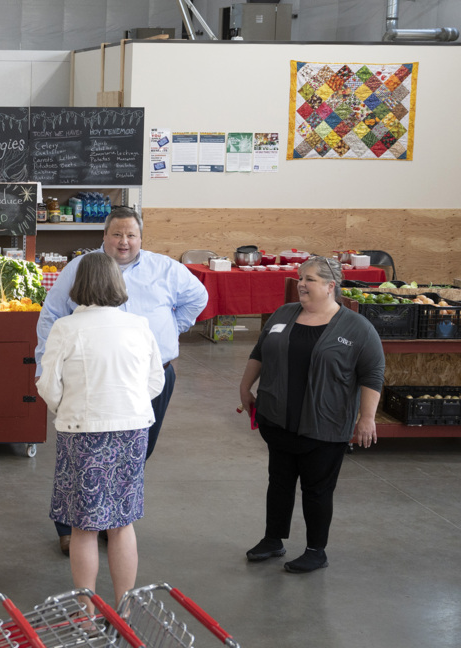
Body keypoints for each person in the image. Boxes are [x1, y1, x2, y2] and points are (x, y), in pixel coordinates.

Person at [35, 206, 207, 556]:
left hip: (147, 377)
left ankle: (110, 517)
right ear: (104, 236)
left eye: (131, 235)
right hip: (90, 381)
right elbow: (52, 315)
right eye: (117, 234)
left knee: (137, 448)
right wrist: (51, 380)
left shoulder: (166, 269)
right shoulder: (81, 268)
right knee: (78, 457)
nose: (124, 241)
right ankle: (72, 526)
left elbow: (197, 297)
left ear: (141, 237)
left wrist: (171, 330)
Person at [238, 256, 384, 573]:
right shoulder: (284, 313)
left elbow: (372, 375)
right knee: (278, 482)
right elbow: (259, 352)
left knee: (317, 490)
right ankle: (272, 539)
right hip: (278, 419)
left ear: (331, 286)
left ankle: (316, 550)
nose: (301, 284)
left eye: (310, 279)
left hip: (324, 426)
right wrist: (245, 386)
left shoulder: (357, 328)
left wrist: (366, 418)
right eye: (301, 278)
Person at [36, 251, 164, 610]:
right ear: (117, 283)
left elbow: (48, 385)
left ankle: (86, 612)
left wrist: (66, 408)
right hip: (132, 431)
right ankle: (124, 606)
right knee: (122, 523)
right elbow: (155, 381)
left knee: (84, 527)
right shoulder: (139, 325)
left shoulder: (65, 328)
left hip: (83, 432)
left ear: (79, 285)